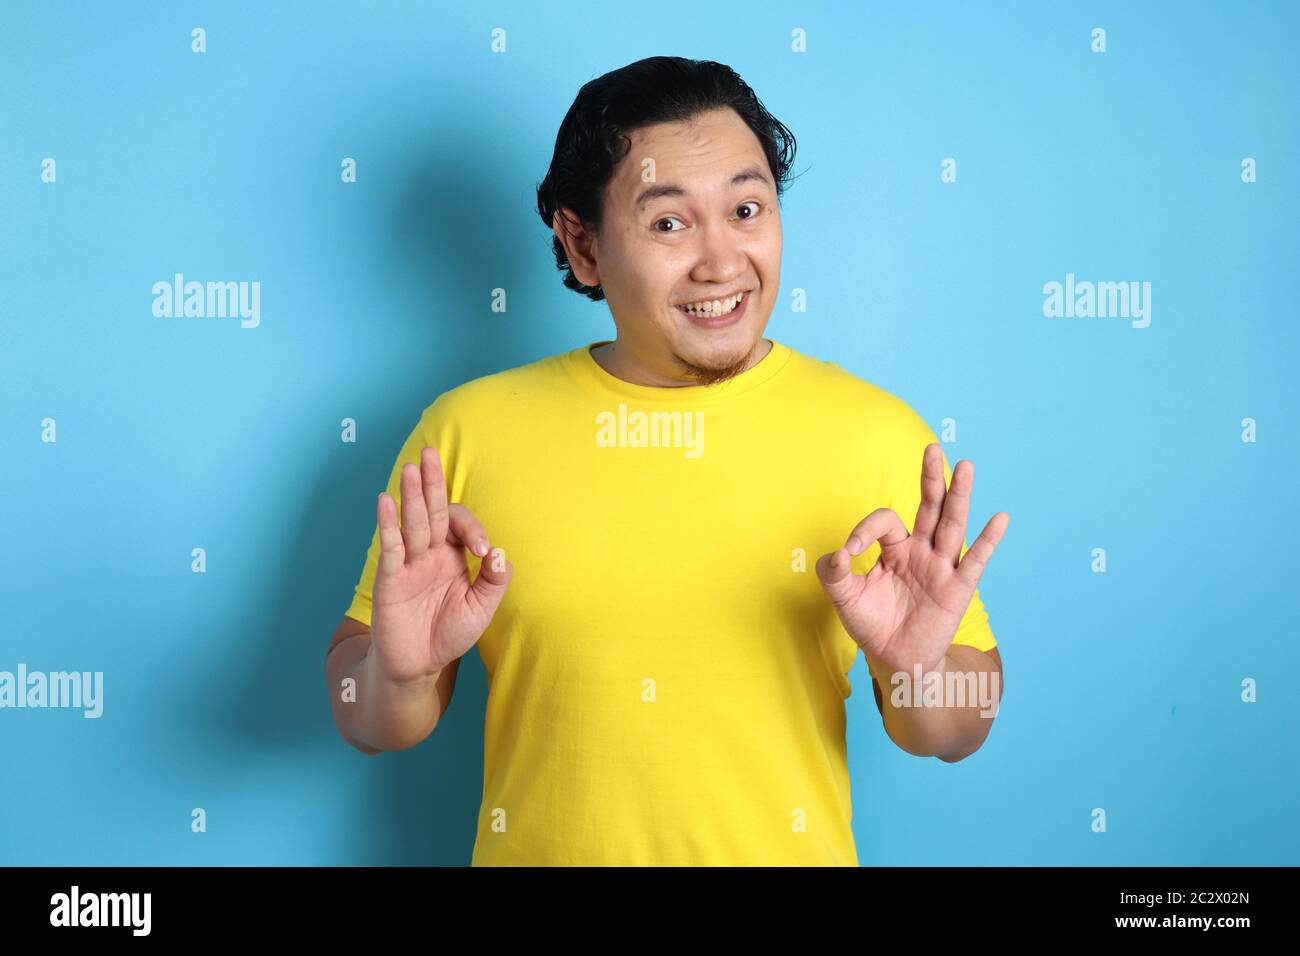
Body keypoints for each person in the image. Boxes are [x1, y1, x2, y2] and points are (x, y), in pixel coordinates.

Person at [325, 55, 1009, 866]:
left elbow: (954, 733)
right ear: (581, 245)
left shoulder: (878, 435)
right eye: (669, 223)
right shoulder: (467, 432)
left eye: (747, 209)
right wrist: (397, 674)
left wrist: (922, 670)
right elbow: (370, 721)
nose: (721, 263)